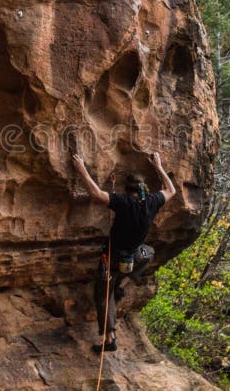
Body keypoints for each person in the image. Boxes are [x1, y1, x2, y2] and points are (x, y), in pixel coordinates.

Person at [71, 151, 176, 353]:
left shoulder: (123, 202)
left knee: (104, 295)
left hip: (112, 257)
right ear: (144, 190)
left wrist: (81, 168)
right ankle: (124, 282)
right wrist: (158, 165)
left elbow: (96, 194)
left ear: (127, 191)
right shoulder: (151, 202)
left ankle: (109, 338)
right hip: (136, 256)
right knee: (150, 252)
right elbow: (171, 190)